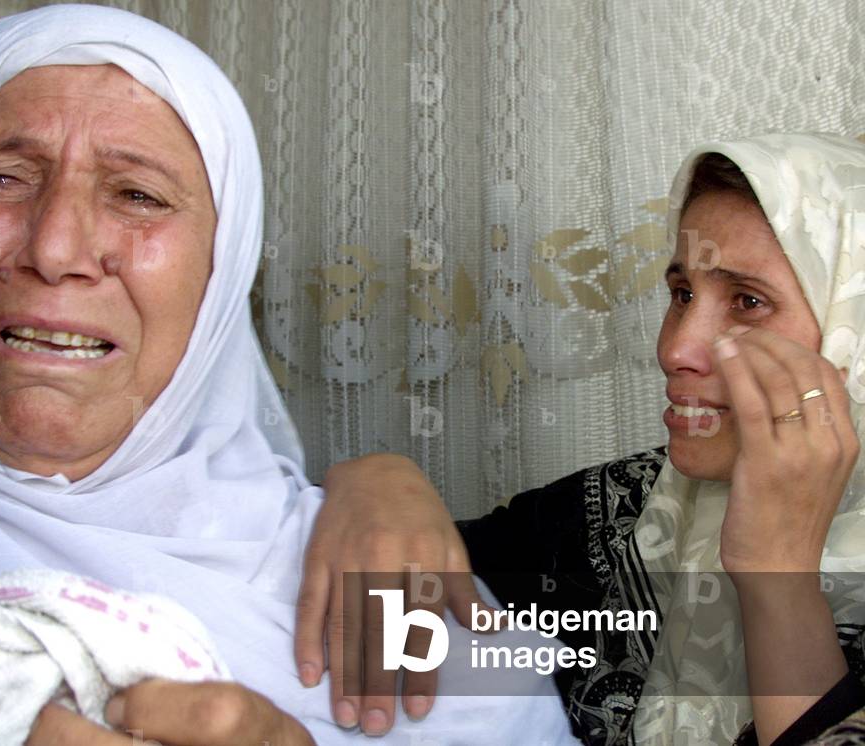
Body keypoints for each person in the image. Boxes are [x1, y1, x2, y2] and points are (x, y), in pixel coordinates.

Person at [0, 5, 576, 744]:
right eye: (0, 177)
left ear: (221, 272)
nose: (56, 246)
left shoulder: (388, 586)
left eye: (136, 195)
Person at [300, 133, 865, 745]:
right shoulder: (631, 510)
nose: (674, 349)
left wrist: (775, 575)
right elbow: (421, 576)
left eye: (747, 302)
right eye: (682, 295)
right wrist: (380, 480)